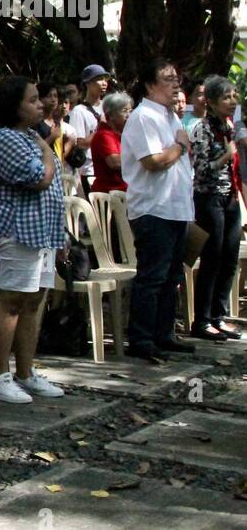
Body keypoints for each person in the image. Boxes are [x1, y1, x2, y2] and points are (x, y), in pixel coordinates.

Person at [0, 77, 66, 402]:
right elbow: (40, 179)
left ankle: (26, 373)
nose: (40, 104)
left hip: (42, 230)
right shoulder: (5, 137)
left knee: (34, 300)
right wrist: (47, 149)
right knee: (13, 300)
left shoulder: (29, 135)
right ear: (13, 106)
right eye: (32, 100)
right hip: (18, 230)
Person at [120, 58, 195, 363]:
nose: (175, 84)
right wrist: (179, 147)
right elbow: (153, 161)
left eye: (177, 78)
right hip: (154, 208)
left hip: (176, 207)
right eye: (167, 79)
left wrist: (179, 146)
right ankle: (141, 338)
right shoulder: (143, 117)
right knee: (152, 276)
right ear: (150, 85)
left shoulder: (170, 116)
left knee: (172, 276)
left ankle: (164, 334)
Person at [188, 75, 242, 342]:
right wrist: (224, 157)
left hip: (230, 197)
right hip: (209, 198)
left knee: (230, 257)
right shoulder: (202, 128)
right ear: (210, 102)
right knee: (213, 257)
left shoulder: (229, 125)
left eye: (234, 96)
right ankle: (203, 320)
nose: (232, 102)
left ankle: (219, 316)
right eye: (226, 97)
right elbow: (200, 169)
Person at [68, 64, 110, 193]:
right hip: (90, 171)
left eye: (105, 79)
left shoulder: (108, 107)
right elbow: (80, 143)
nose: (104, 83)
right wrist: (101, 128)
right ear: (87, 83)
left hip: (110, 168)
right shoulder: (79, 111)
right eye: (99, 79)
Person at [89, 93, 132, 193]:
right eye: (124, 111)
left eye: (130, 111)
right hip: (112, 193)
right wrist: (141, 158)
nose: (129, 115)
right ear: (111, 115)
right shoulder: (104, 135)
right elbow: (115, 162)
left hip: (125, 190)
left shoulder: (123, 133)